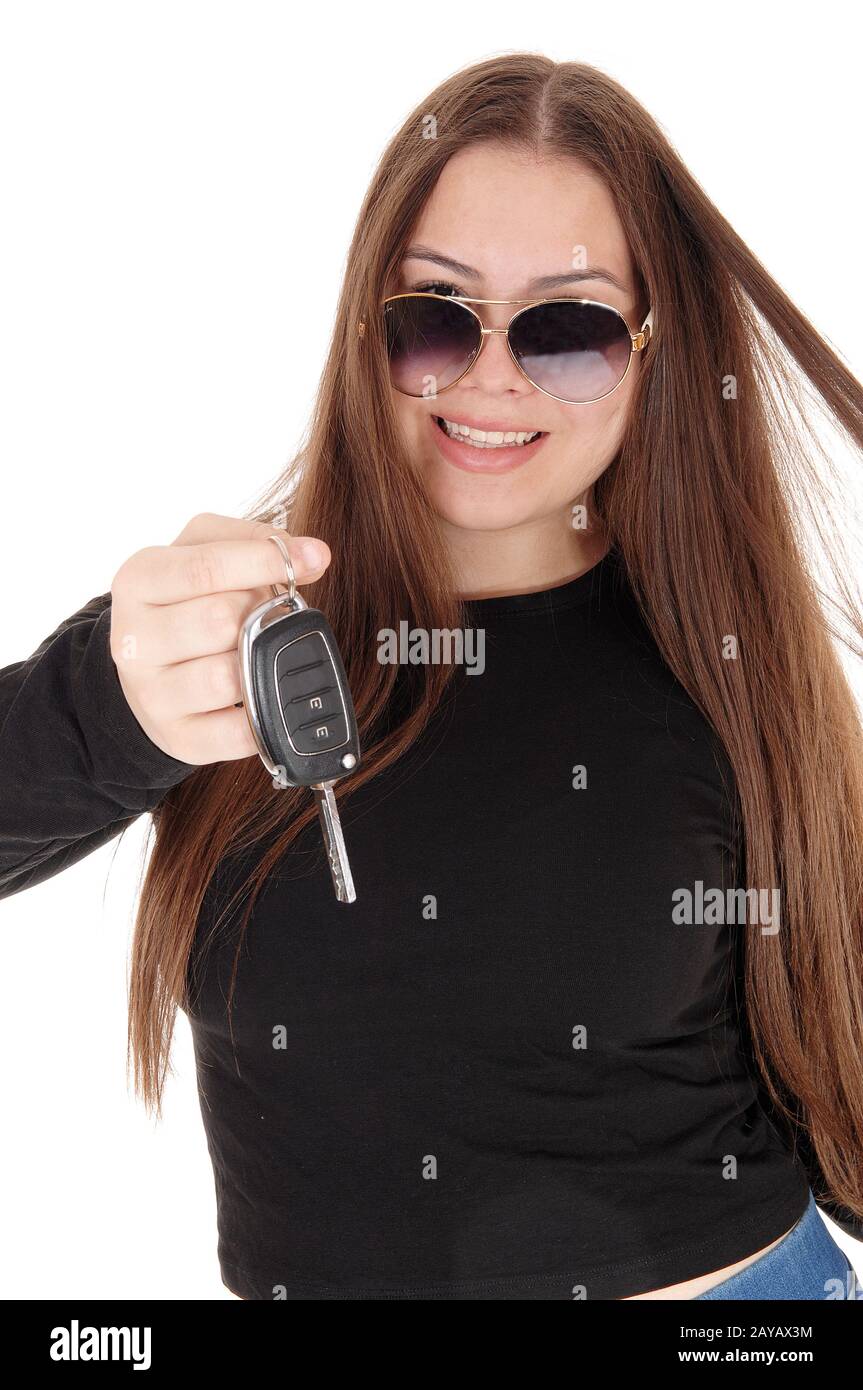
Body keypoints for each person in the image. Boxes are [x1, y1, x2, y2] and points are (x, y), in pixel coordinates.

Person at [2, 54, 862, 1301]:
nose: (491, 376)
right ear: (369, 323)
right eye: (437, 316)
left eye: (567, 329)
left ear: (649, 345)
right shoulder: (228, 628)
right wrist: (108, 708)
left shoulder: (735, 672)